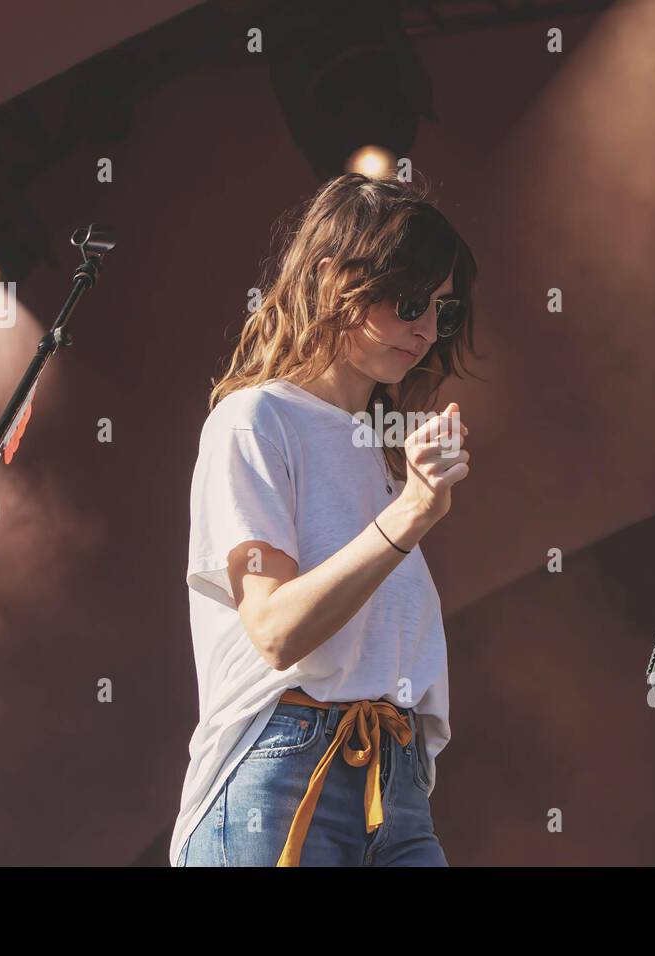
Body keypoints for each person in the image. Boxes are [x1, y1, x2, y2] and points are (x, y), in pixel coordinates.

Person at [169, 172, 479, 866]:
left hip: (393, 782)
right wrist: (410, 516)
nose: (426, 328)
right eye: (408, 301)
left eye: (444, 311)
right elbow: (276, 630)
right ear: (331, 276)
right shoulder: (255, 421)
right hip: (282, 772)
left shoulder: (382, 452)